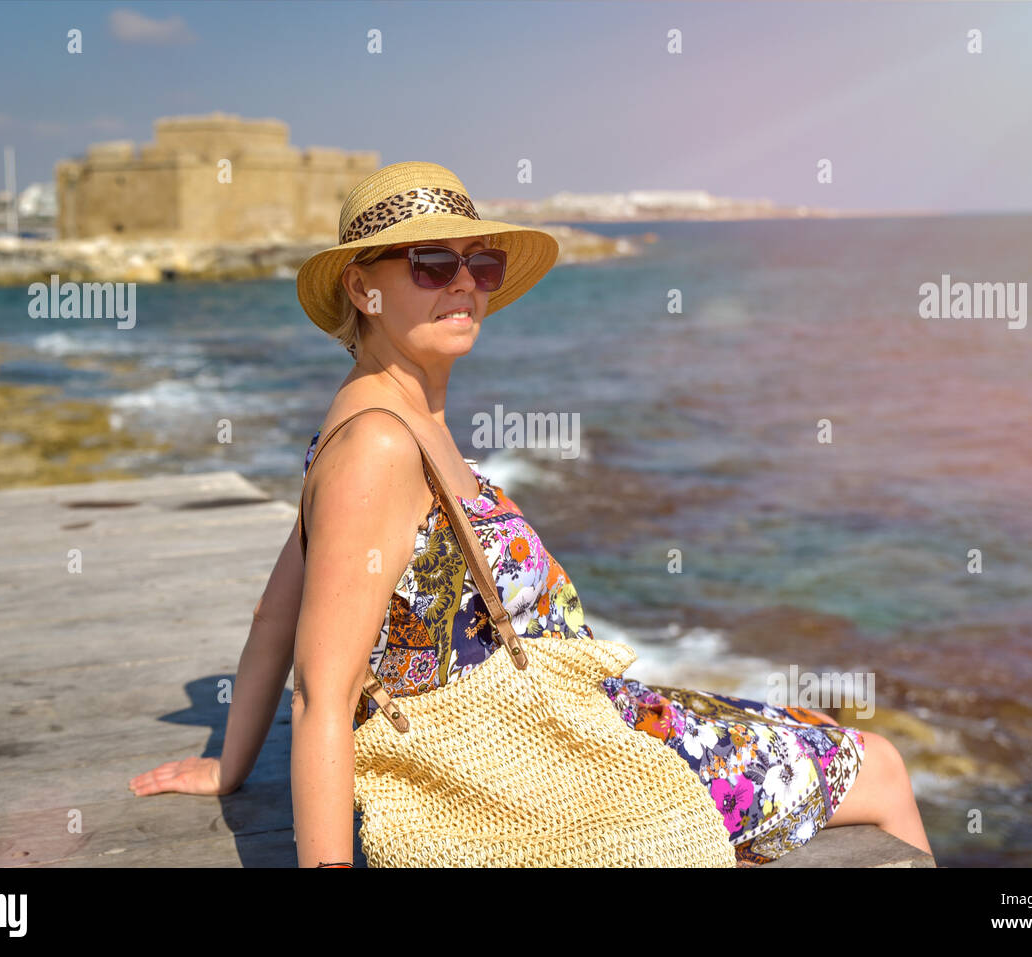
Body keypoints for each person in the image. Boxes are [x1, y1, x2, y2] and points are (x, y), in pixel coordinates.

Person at [129, 161, 933, 867]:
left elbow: (279, 605)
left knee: (811, 723)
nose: (465, 284)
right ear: (361, 287)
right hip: (525, 755)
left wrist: (229, 767)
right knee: (882, 764)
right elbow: (321, 692)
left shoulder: (382, 415)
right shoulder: (378, 444)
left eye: (480, 262)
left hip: (566, 724)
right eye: (433, 262)